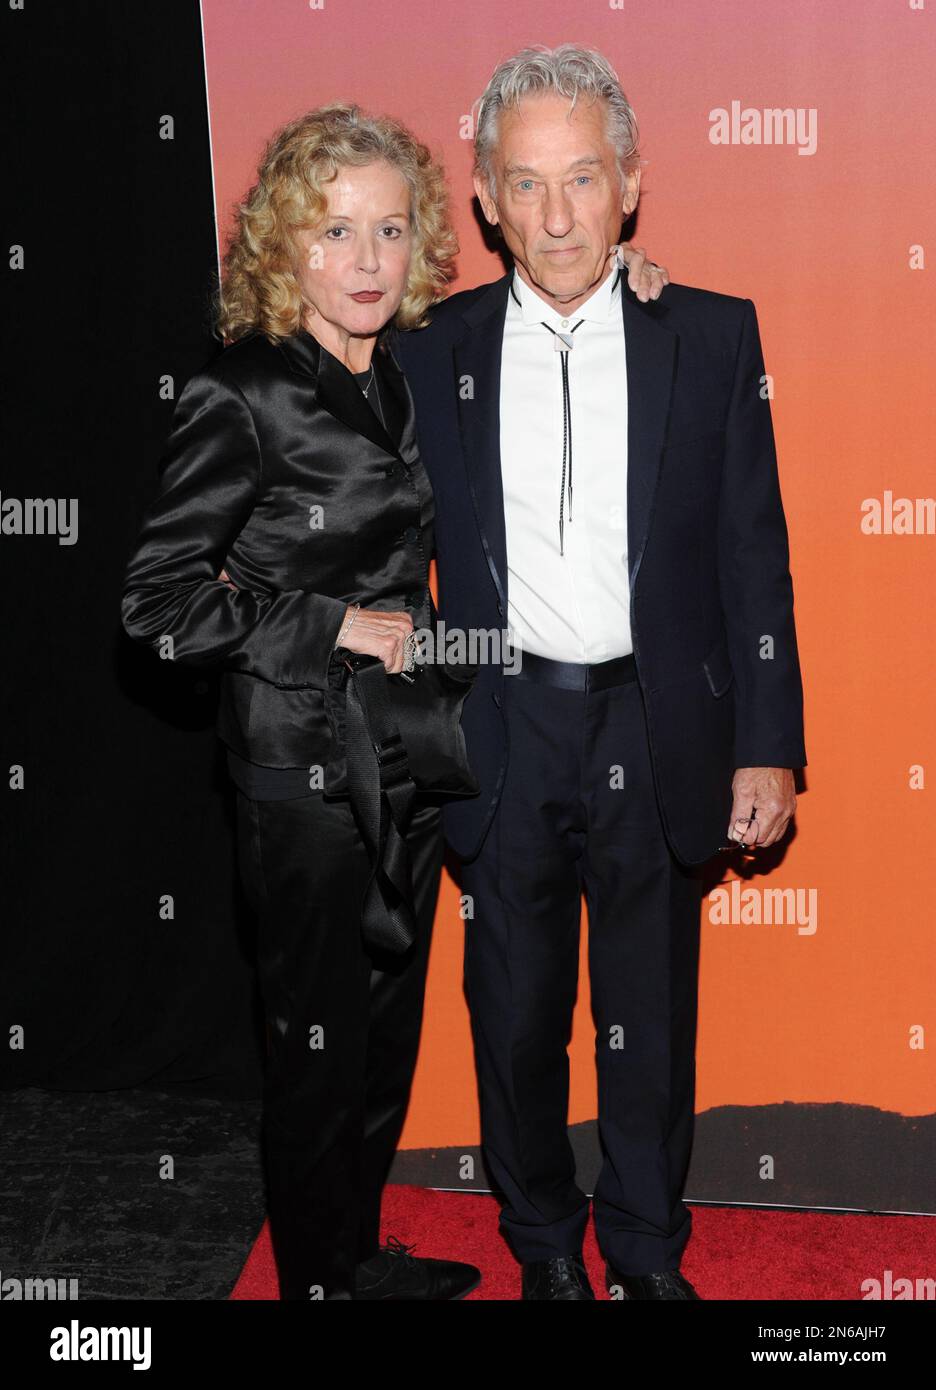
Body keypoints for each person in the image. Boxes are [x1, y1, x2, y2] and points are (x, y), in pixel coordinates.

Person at [120, 100, 666, 1300]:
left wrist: (635, 281)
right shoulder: (243, 390)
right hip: (299, 775)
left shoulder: (409, 366)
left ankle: (356, 1253)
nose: (364, 259)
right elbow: (155, 604)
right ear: (284, 244)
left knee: (378, 1032)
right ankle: (316, 1279)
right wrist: (327, 624)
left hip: (409, 756)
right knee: (313, 1048)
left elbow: (552, 317)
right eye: (334, 232)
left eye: (387, 230)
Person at [395, 44, 807, 1300]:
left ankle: (643, 1251)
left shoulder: (711, 335)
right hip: (502, 726)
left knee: (651, 1024)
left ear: (631, 184)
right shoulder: (429, 349)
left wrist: (768, 743)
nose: (559, 215)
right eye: (526, 184)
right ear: (484, 198)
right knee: (515, 1021)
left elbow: (754, 554)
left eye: (584, 177)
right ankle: (542, 1249)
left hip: (657, 724)